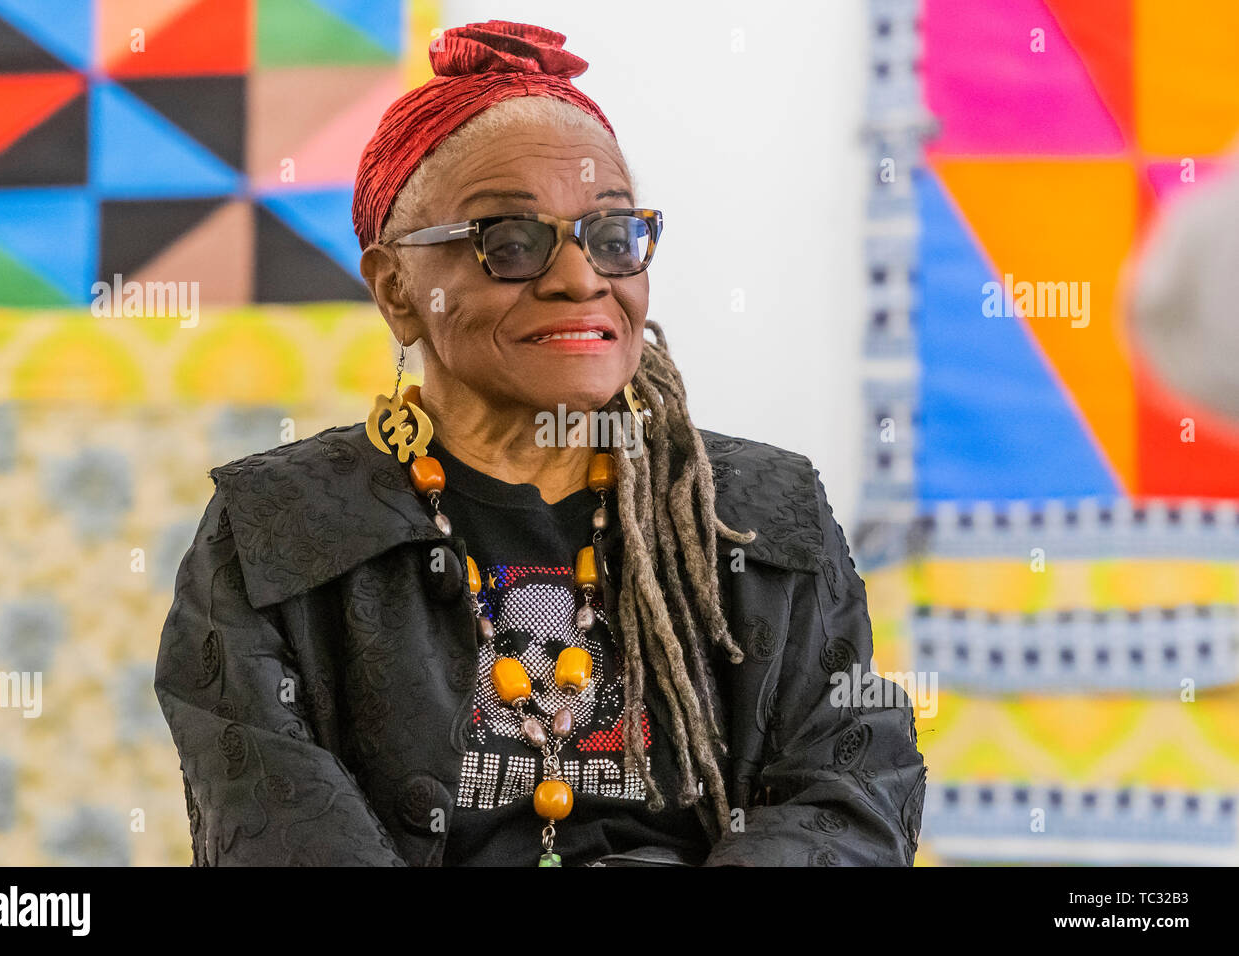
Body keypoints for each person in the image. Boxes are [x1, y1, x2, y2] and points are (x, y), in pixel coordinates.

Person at [154, 19, 926, 867]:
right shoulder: (277, 530)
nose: (580, 278)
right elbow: (281, 837)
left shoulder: (760, 515)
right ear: (397, 290)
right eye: (511, 244)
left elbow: (854, 795)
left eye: (613, 236)